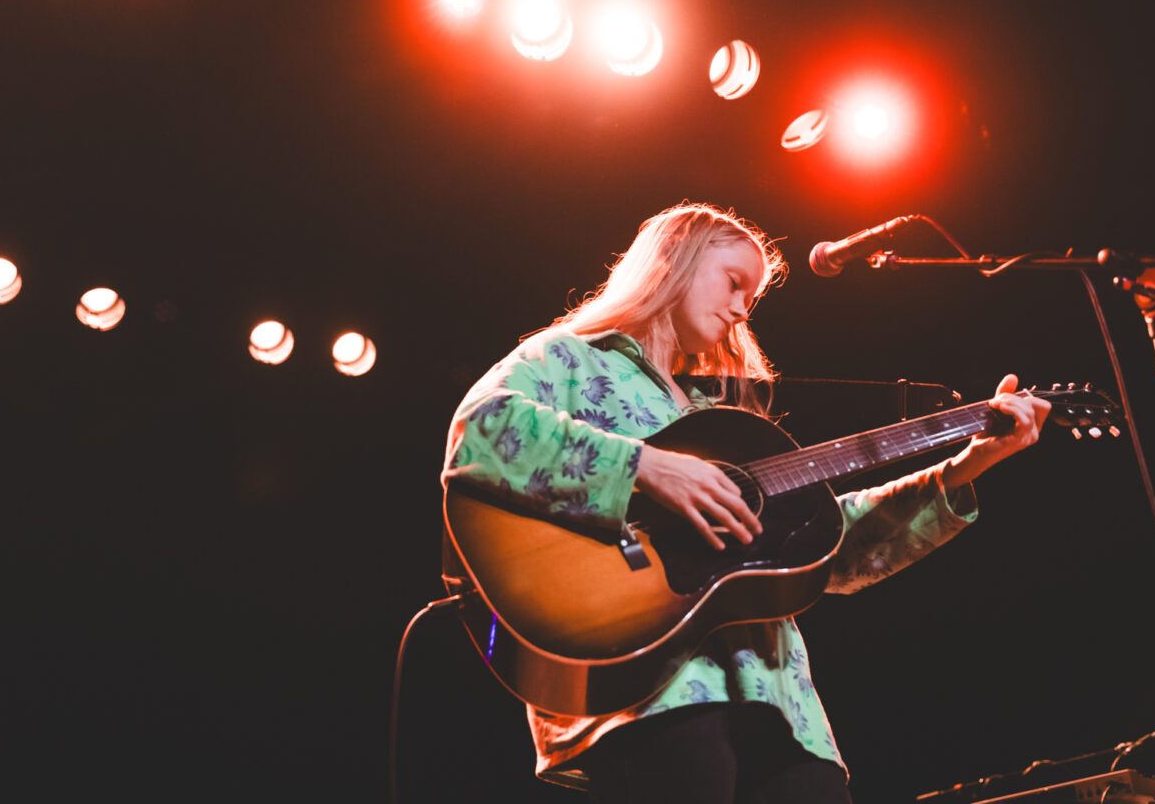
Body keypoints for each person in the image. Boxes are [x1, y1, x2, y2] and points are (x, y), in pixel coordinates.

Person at [441, 203, 1049, 803]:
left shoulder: (721, 416)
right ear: (674, 262)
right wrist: (645, 469)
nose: (740, 310)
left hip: (781, 702)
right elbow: (484, 430)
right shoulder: (567, 358)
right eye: (734, 284)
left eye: (751, 300)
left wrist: (965, 466)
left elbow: (829, 548)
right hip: (653, 693)